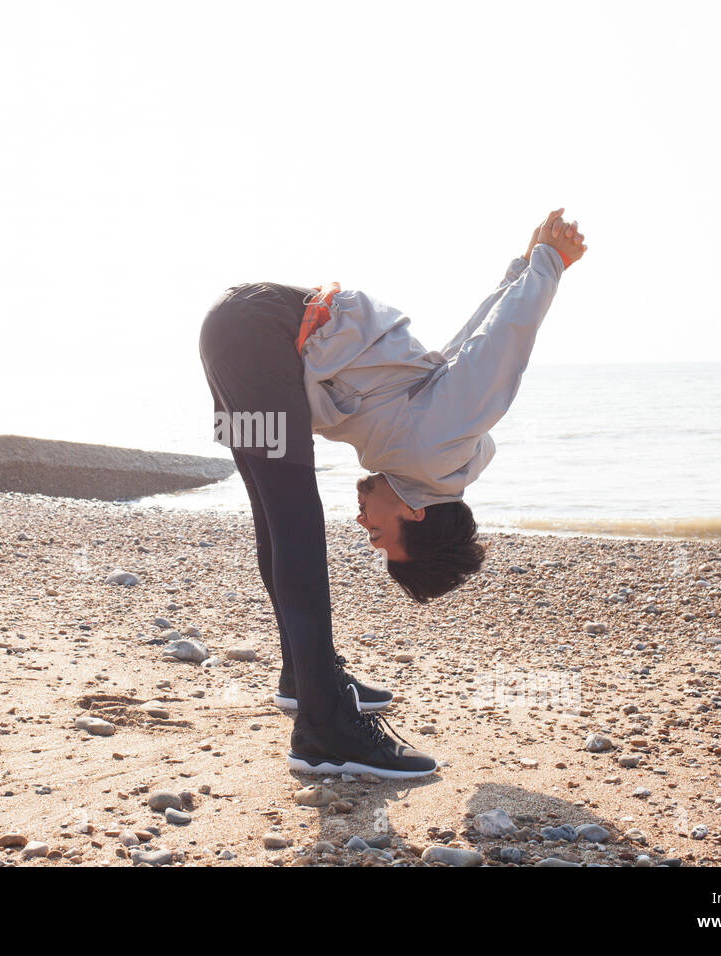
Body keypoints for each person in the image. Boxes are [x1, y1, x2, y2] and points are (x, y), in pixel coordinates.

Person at [198, 208, 587, 778]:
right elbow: (500, 344)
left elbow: (463, 348)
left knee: (273, 518)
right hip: (257, 337)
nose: (364, 527)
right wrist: (546, 264)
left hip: (243, 336)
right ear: (416, 511)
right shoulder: (437, 446)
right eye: (382, 535)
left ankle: (306, 677)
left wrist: (522, 266)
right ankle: (324, 726)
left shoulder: (428, 453)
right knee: (294, 524)